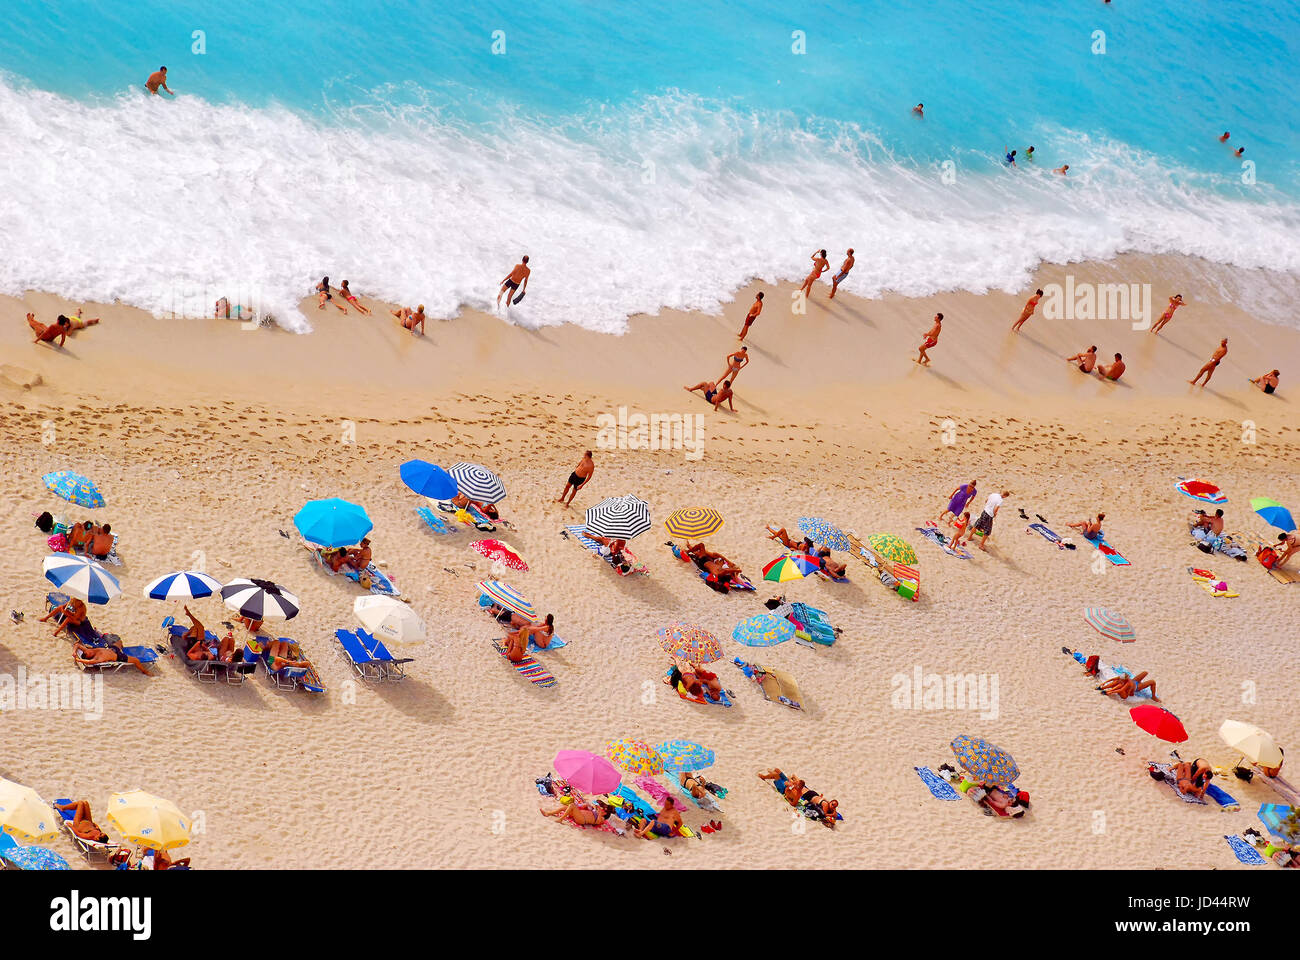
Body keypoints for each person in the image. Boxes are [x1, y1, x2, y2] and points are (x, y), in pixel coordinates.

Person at [73, 639, 151, 675]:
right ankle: (145, 671)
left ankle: (122, 649)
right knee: (136, 660)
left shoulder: (89, 651)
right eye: (88, 653)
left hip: (113, 649)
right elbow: (90, 662)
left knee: (119, 641)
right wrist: (79, 660)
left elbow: (77, 645)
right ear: (89, 656)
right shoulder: (96, 658)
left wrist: (74, 652)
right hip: (118, 656)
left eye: (87, 651)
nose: (89, 651)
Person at [539, 797, 613, 827]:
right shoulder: (596, 811)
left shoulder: (602, 819)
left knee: (572, 805)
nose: (602, 808)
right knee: (564, 807)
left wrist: (599, 813)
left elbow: (596, 822)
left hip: (582, 819)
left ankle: (560, 819)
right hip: (580, 814)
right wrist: (587, 806)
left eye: (603, 809)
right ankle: (548, 813)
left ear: (606, 813)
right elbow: (587, 810)